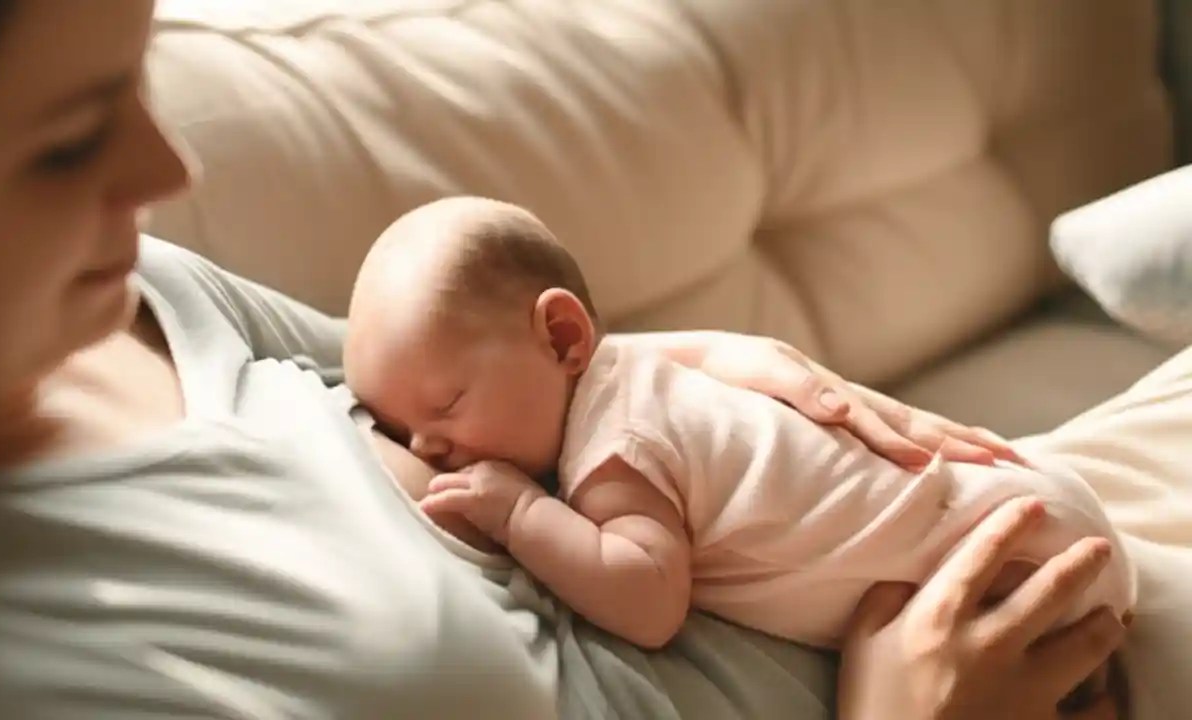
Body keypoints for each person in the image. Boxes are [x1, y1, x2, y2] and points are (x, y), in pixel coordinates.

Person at [0, 1, 1126, 718]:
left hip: (1002, 549)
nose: (169, 172)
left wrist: (731, 357)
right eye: (68, 142)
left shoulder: (144, 292)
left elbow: (540, 383)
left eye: (130, 83)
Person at [342, 196, 1135, 655]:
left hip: (1009, 561)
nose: (426, 447)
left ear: (562, 338)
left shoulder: (613, 455)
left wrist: (521, 513)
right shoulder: (641, 374)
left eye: (444, 408)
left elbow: (649, 602)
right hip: (1020, 499)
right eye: (402, 428)